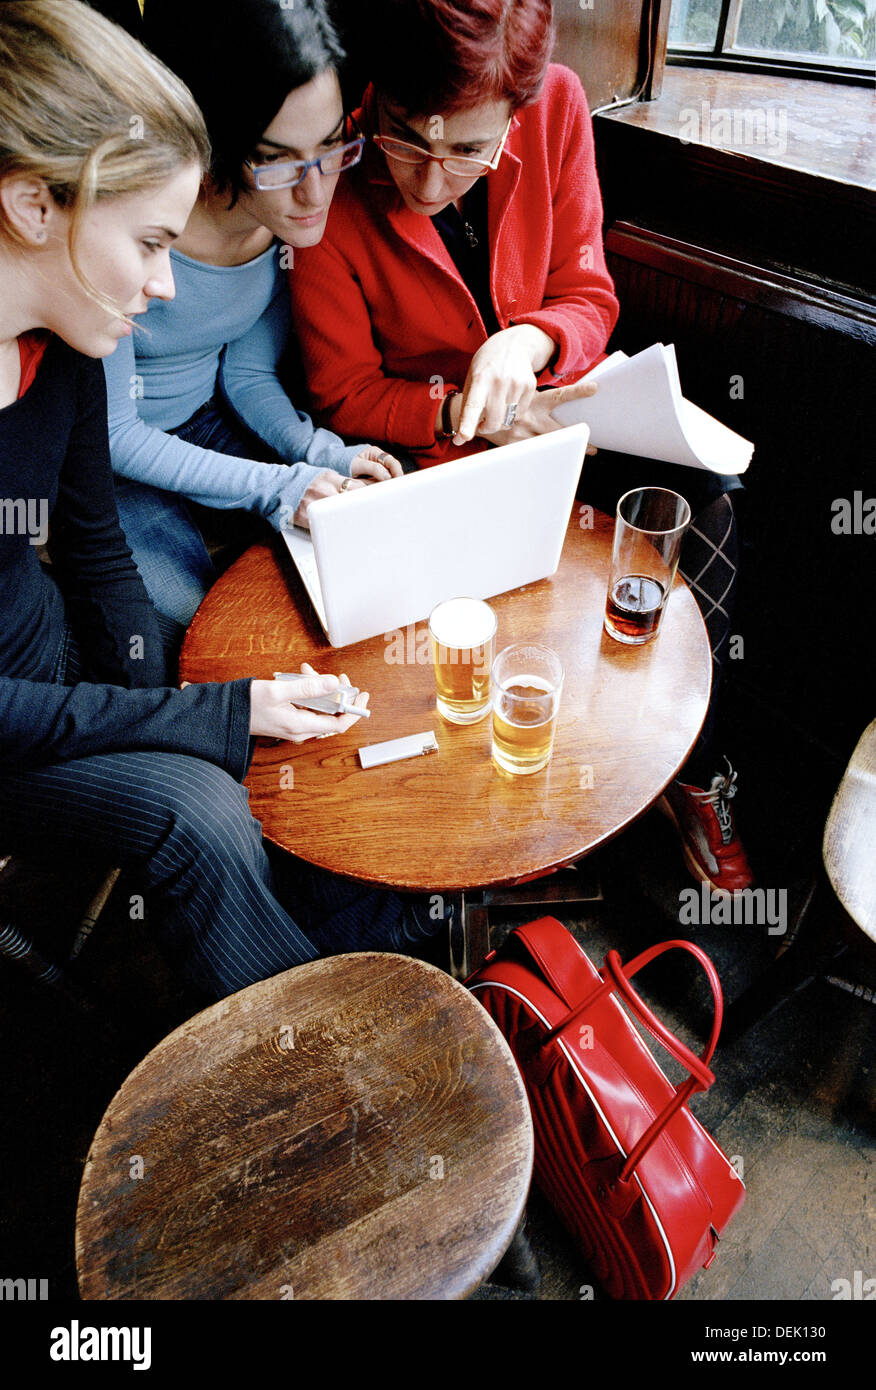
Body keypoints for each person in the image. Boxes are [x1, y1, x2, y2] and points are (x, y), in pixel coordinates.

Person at [0, 0, 439, 1002]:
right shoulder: (87, 320)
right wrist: (193, 719)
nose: (165, 284)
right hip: (15, 724)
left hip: (48, 671)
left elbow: (96, 548)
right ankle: (326, 1068)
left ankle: (383, 938)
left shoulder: (65, 343)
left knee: (260, 700)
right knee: (201, 806)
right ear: (33, 208)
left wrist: (172, 693)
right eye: (151, 241)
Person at [290, 0, 752, 894]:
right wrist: (462, 405)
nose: (429, 183)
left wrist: (530, 341)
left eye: (467, 149)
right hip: (446, 449)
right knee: (505, 605)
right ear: (373, 99)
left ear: (518, 111)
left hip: (569, 412)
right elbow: (340, 391)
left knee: (713, 501)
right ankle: (526, 813)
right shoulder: (334, 170)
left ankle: (699, 772)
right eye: (403, 138)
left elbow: (588, 290)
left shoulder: (559, 107)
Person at [102, 0, 403, 635]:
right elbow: (117, 435)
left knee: (331, 567)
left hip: (206, 421)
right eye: (276, 159)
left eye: (330, 147)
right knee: (194, 617)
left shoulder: (285, 227)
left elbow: (244, 373)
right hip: (109, 458)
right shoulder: (146, 221)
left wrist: (321, 454)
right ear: (218, 143)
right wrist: (279, 486)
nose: (315, 192)